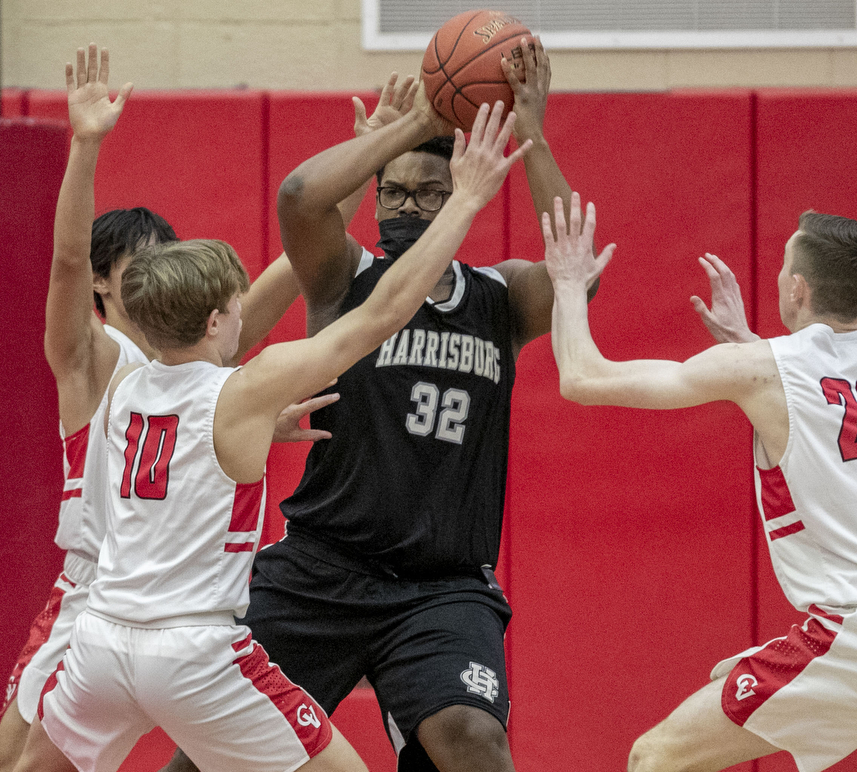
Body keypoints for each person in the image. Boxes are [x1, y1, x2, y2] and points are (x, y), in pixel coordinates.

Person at [12, 94, 529, 772]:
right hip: (193, 648)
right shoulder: (243, 388)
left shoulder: (119, 386)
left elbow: (72, 271)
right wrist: (464, 201)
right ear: (217, 323)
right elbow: (381, 316)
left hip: (102, 638)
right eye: (236, 304)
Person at [168, 40, 596, 772]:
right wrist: (395, 134)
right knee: (206, 756)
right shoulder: (343, 278)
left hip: (442, 587)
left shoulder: (499, 295)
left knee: (475, 744)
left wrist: (534, 134)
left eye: (428, 192)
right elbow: (299, 198)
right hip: (319, 571)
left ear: (460, 189)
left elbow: (575, 277)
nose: (405, 206)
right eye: (390, 193)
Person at [545, 197, 857, 772]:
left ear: (798, 288)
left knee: (655, 758)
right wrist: (748, 342)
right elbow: (824, 400)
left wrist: (567, 282)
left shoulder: (761, 368)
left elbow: (583, 377)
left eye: (783, 267)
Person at [0, 44, 325, 772]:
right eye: (143, 263)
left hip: (157, 614)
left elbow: (271, 291)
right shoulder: (94, 357)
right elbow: (65, 261)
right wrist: (85, 146)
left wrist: (347, 182)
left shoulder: (186, 364)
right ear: (107, 286)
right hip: (95, 599)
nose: (162, 272)